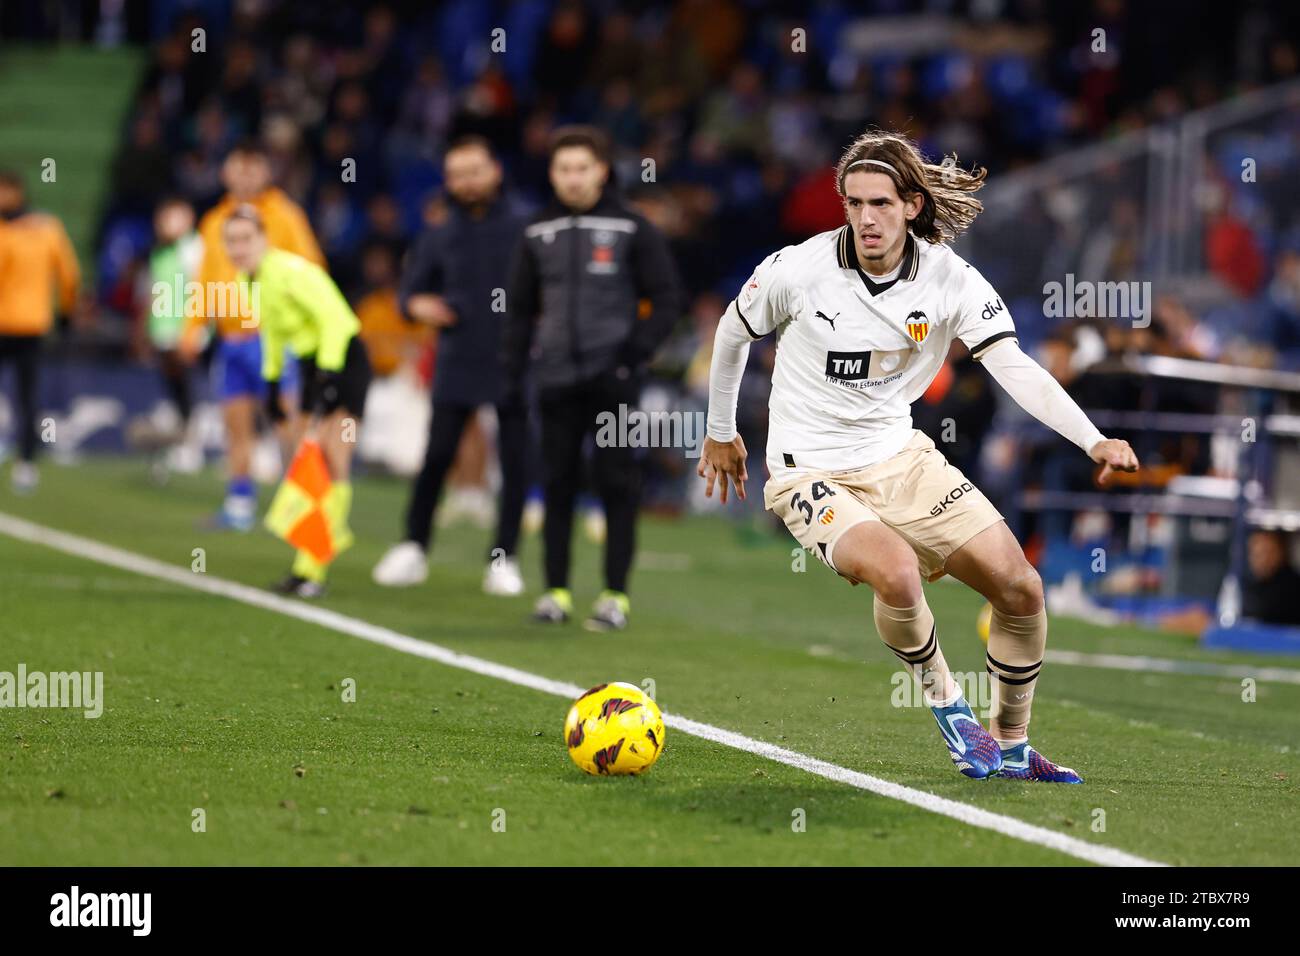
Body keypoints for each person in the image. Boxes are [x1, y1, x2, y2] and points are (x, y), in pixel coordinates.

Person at [697, 130, 1139, 782]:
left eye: (880, 203)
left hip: (901, 458)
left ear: (910, 204)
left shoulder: (949, 279)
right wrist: (720, 430)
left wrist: (1092, 438)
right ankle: (952, 712)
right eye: (853, 203)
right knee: (897, 570)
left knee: (1020, 589)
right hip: (809, 471)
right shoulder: (799, 269)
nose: (866, 218)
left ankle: (1010, 742)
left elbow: (1012, 365)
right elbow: (733, 331)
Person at [503, 126, 683, 631]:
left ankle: (614, 597)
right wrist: (513, 372)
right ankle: (555, 593)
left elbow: (668, 298)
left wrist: (631, 356)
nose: (572, 178)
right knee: (556, 484)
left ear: (602, 171)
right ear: (551, 173)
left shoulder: (632, 227)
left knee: (617, 486)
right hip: (555, 380)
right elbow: (518, 311)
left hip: (614, 382)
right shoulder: (536, 230)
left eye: (582, 168)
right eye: (563, 169)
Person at [372, 135, 531, 595]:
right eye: (457, 174)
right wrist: (419, 305)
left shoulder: (525, 226)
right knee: (437, 455)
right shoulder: (440, 234)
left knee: (517, 461)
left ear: (495, 171)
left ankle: (504, 558)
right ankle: (413, 546)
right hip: (458, 355)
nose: (466, 182)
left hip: (515, 357)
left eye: (474, 171)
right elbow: (409, 295)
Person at [222, 205, 372, 599]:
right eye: (231, 241)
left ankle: (314, 567)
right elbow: (272, 332)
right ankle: (310, 563)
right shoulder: (247, 281)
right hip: (312, 367)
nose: (238, 248)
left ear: (264, 240)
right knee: (312, 463)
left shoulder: (292, 271)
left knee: (332, 457)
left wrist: (327, 379)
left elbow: (336, 323)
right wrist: (272, 383)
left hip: (344, 363)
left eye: (245, 239)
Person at [179, 139, 324, 530]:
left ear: (267, 171)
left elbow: (312, 269)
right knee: (235, 424)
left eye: (252, 168)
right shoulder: (213, 221)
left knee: (288, 424)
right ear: (225, 173)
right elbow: (205, 278)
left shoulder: (285, 215)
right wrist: (192, 328)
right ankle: (240, 504)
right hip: (231, 339)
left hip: (273, 336)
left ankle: (302, 503)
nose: (245, 176)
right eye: (237, 168)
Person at [0, 169, 81, 493]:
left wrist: (66, 310)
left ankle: (27, 461)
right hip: (29, 322)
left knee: (27, 396)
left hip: (25, 324)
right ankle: (26, 462)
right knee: (26, 395)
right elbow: (70, 274)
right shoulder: (46, 227)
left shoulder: (40, 229)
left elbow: (69, 275)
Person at [142, 196, 204, 444]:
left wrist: (192, 331)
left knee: (192, 386)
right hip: (164, 331)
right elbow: (154, 291)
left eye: (174, 217)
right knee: (175, 386)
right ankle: (182, 435)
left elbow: (201, 289)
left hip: (187, 331)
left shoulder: (193, 248)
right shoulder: (158, 251)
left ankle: (193, 441)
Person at [1242, 529, 1300, 627]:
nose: (1258, 560)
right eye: (1254, 554)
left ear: (1280, 552)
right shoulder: (1254, 585)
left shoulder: (1291, 587)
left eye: (1265, 553)